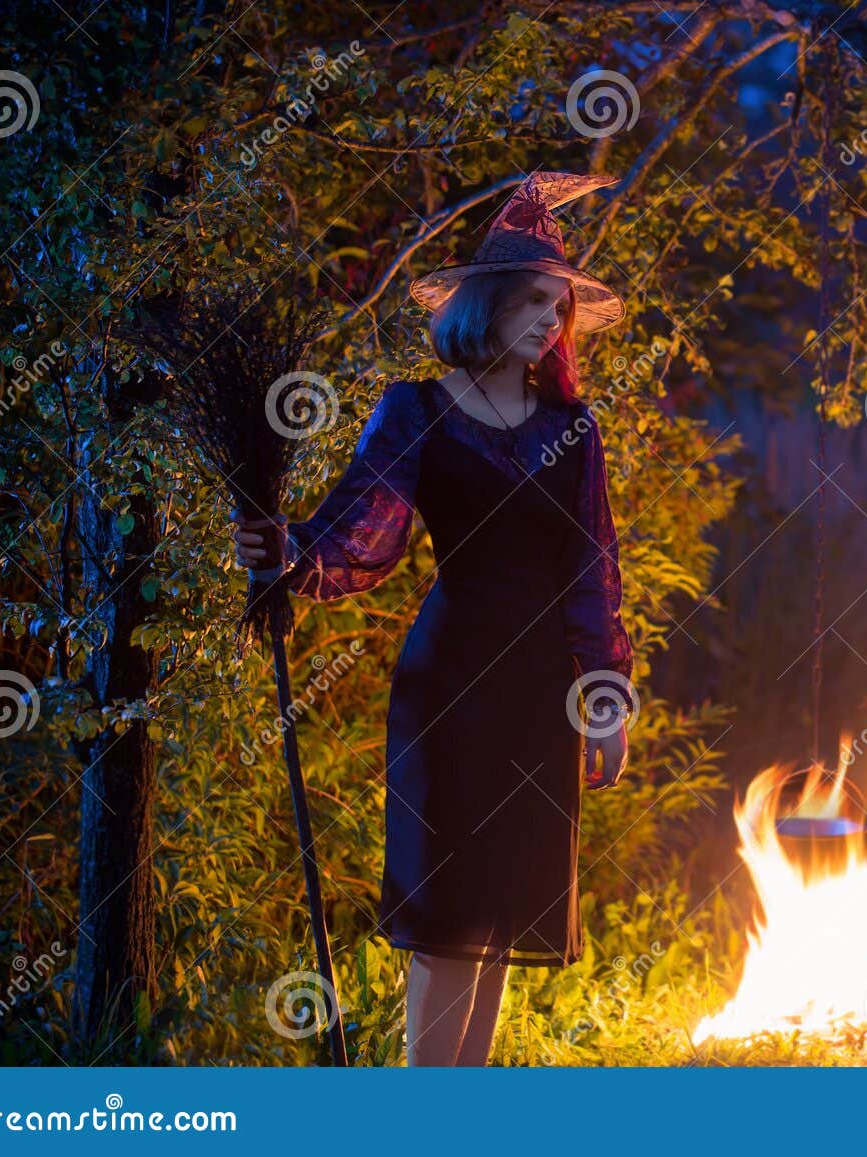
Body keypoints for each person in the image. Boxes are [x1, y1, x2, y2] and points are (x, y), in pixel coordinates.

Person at [231, 172, 634, 1066]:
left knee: (496, 920)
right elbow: (361, 535)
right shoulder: (417, 409)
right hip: (449, 685)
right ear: (485, 302)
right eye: (532, 299)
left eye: (559, 307)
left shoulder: (575, 428)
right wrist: (288, 551)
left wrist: (606, 697)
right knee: (449, 918)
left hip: (541, 697)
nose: (547, 321)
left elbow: (591, 575)